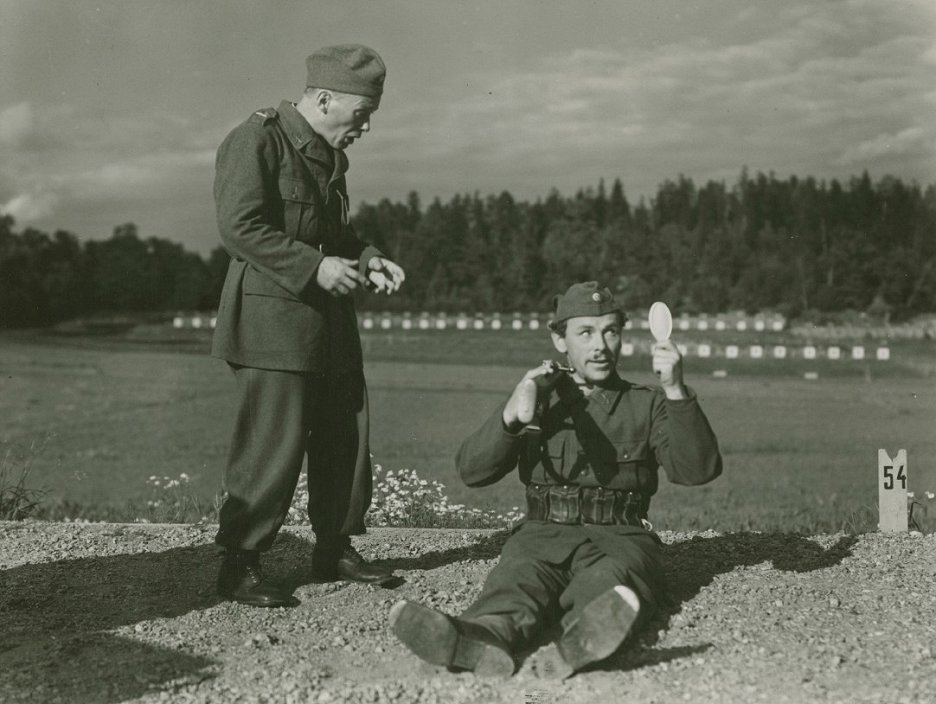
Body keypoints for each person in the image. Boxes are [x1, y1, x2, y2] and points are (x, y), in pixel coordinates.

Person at [389, 281, 722, 676]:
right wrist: (512, 416)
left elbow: (697, 470)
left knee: (611, 585)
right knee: (516, 579)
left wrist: (675, 388)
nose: (600, 345)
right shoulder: (539, 395)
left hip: (620, 538)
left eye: (610, 331)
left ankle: (581, 643)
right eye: (585, 333)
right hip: (541, 534)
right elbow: (472, 471)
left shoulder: (647, 403)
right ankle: (478, 638)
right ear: (560, 339)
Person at [211, 44, 406, 607]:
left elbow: (334, 234)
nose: (365, 128)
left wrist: (368, 259)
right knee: (271, 446)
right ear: (324, 99)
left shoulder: (329, 158)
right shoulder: (257, 140)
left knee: (346, 435)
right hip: (273, 324)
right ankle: (240, 564)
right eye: (361, 114)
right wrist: (314, 266)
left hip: (330, 325)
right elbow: (239, 227)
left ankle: (334, 547)